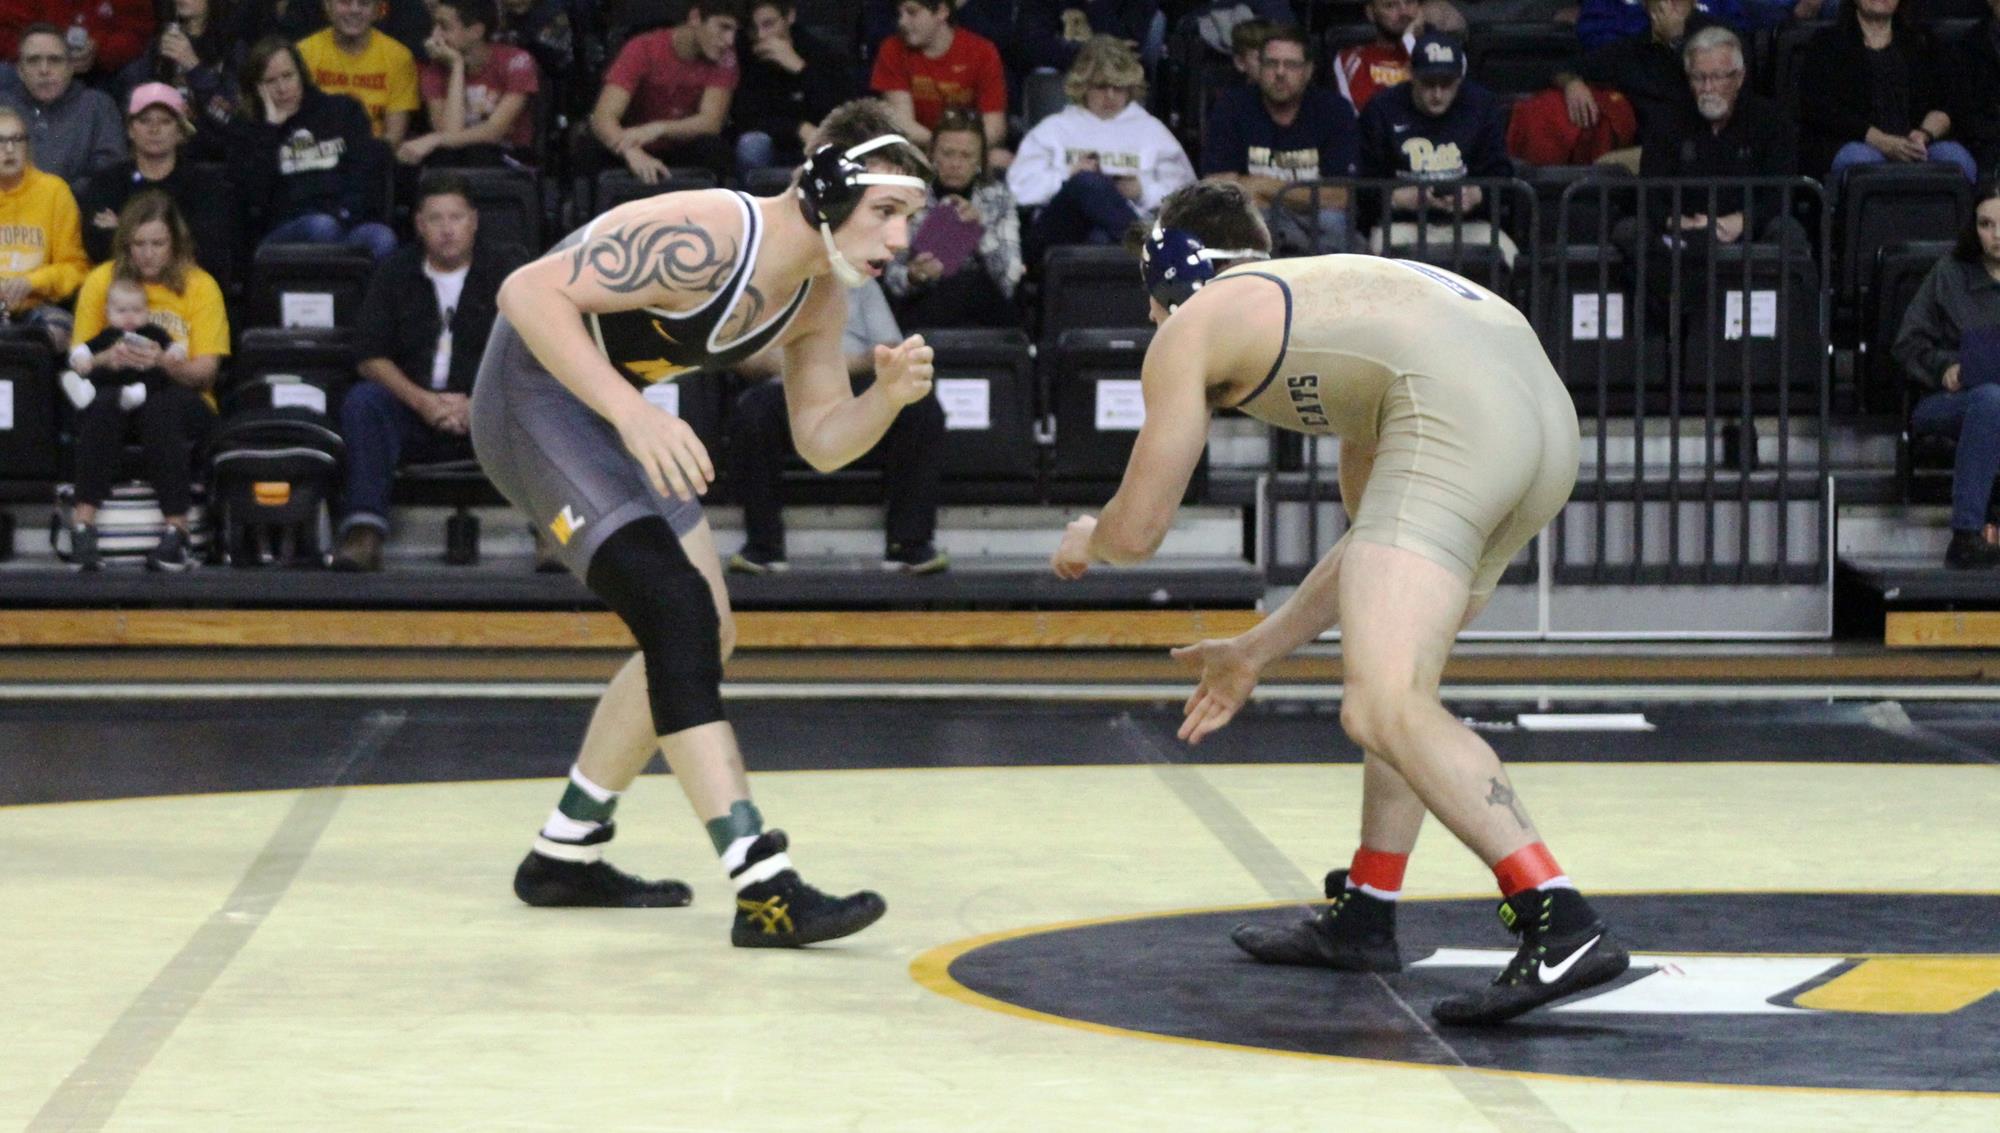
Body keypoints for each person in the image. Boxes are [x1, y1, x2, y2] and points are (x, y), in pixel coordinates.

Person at [1051, 179, 1629, 1024]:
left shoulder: (1195, 323)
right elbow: (1374, 546)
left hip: (1464, 414)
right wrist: (1256, 648)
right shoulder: (1340, 309)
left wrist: (1088, 536)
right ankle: (1368, 906)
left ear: (1175, 271)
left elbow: (1137, 531)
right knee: (1402, 693)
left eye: (1151, 294)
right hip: (1542, 423)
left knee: (1383, 704)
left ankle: (1559, 916)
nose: (1150, 316)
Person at [471, 98, 935, 946]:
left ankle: (564, 851)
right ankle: (765, 887)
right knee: (678, 612)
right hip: (531, 400)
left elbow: (821, 441)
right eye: (886, 212)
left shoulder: (818, 294)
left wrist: (886, 399)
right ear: (827, 189)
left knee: (704, 629)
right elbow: (524, 290)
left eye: (909, 217)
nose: (901, 239)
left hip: (609, 417)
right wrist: (633, 414)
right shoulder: (708, 232)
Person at [333, 172, 526, 571]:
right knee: (364, 401)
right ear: (420, 225)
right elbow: (369, 355)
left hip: (489, 415)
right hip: (415, 411)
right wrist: (423, 403)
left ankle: (553, 535)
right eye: (436, 219)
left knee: (541, 401)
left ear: (474, 221)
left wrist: (477, 404)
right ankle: (363, 531)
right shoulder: (394, 273)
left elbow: (531, 352)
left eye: (456, 217)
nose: (447, 229)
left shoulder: (508, 272)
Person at [726, 278, 948, 574]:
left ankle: (909, 545)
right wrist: (807, 368)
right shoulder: (765, 281)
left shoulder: (860, 284)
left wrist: (831, 367)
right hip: (783, 384)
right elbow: (742, 357)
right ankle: (763, 547)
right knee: (752, 412)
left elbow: (890, 347)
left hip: (857, 380)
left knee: (919, 407)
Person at [64, 191, 226, 572]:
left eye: (158, 243)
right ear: (125, 244)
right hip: (116, 389)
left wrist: (164, 364)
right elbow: (80, 361)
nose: (148, 254)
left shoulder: (200, 285)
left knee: (160, 407)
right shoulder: (102, 281)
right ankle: (82, 526)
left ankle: (177, 532)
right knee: (103, 403)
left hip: (183, 396)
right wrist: (108, 358)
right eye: (139, 244)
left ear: (175, 243)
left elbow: (206, 372)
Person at [1008, 35, 1194, 260]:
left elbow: (1188, 199)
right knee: (1086, 183)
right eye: (1101, 86)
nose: (1110, 96)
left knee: (1101, 236)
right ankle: (1152, 253)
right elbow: (1018, 192)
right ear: (1084, 85)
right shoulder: (1053, 129)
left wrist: (1142, 191)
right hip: (1060, 232)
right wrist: (1067, 176)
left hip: (1120, 235)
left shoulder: (1153, 132)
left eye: (1119, 87)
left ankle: (1141, 249)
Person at [1893, 182, 2000, 569]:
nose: (1997, 235)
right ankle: (1966, 536)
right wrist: (1944, 367)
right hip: (1950, 400)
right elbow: (1907, 344)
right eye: (1987, 225)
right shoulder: (1950, 274)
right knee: (1991, 400)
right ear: (1974, 228)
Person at [230, 36, 397, 260]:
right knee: (321, 227)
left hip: (344, 220)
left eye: (288, 76)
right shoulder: (249, 129)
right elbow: (253, 199)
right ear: (257, 88)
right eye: (270, 82)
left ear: (301, 74)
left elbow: (365, 175)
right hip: (283, 230)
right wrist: (270, 131)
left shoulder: (343, 111)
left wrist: (343, 214)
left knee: (382, 238)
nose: (282, 88)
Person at [1200, 25, 1360, 252]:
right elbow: (1218, 186)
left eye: (1291, 65)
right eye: (1271, 63)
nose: (1280, 72)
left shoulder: (1334, 110)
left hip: (1317, 225)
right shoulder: (1231, 107)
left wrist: (1261, 186)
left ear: (1308, 71)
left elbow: (1339, 197)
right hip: (1260, 218)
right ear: (1259, 67)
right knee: (1244, 219)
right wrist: (1304, 196)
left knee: (1331, 220)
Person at [1358, 32, 1513, 259]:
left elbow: (1502, 174)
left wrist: (1476, 195)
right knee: (1379, 261)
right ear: (1411, 74)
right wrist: (1397, 198)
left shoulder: (1482, 106)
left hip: (1470, 224)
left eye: (1447, 84)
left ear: (1460, 79)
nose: (1437, 94)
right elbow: (1362, 183)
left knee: (1510, 256)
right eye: (1428, 83)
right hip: (1401, 225)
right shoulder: (1382, 108)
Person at [1797, 0, 1974, 187]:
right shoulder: (1826, 43)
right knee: (1860, 160)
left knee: (1955, 158)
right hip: (1855, 141)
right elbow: (1820, 108)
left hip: (1919, 144)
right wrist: (1880, 140)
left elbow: (1948, 101)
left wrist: (1923, 135)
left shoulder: (1924, 40)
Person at [78, 83, 237, 278]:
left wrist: (123, 230)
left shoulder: (205, 185)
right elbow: (97, 246)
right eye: (144, 120)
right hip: (121, 287)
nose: (154, 129)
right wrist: (175, 238)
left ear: (180, 131)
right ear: (130, 129)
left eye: (165, 121)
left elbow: (209, 252)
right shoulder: (106, 182)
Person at [883, 108, 1023, 328]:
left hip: (985, 307)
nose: (956, 163)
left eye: (966, 156)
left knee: (969, 283)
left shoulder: (999, 198)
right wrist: (913, 275)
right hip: (925, 304)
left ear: (980, 161)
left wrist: (979, 231)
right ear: (932, 155)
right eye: (947, 154)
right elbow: (891, 279)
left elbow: (1009, 280)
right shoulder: (908, 196)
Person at [589, 0, 741, 185]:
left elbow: (710, 121)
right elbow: (603, 117)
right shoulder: (643, 48)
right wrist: (631, 152)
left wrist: (657, 129)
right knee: (590, 148)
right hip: (633, 141)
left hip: (681, 146)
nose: (729, 41)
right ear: (695, 18)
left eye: (734, 31)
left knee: (715, 150)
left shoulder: (726, 57)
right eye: (723, 27)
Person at [397, 0, 541, 167]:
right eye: (434, 25)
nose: (435, 36)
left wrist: (435, 139)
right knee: (443, 158)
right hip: (457, 159)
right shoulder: (435, 70)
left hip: (508, 158)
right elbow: (449, 134)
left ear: (476, 31)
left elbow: (494, 131)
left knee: (477, 154)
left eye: (444, 27)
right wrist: (457, 66)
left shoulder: (516, 61)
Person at [869, 0, 1010, 160]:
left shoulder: (983, 52)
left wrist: (959, 151)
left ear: (942, 11)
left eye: (912, 12)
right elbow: (902, 123)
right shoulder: (892, 49)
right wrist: (945, 149)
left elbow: (994, 127)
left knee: (999, 158)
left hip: (969, 151)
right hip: (918, 150)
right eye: (899, 14)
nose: (902, 22)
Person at [731, 0, 855, 180]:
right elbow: (745, 116)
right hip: (772, 141)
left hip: (816, 140)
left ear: (789, 17)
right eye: (753, 28)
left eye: (768, 24)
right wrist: (797, 128)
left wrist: (800, 68)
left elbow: (840, 107)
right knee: (751, 144)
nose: (761, 35)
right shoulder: (745, 55)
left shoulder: (818, 52)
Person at [0, 105, 87, 352]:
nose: (9, 149)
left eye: (17, 139)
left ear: (28, 146)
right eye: (1, 141)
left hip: (39, 306)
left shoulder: (54, 191)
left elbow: (76, 269)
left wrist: (33, 282)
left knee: (58, 332)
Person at [2, 23, 125, 190]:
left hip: (79, 203)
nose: (44, 70)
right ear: (20, 70)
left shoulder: (97, 106)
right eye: (33, 61)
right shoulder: (4, 106)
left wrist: (58, 197)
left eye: (54, 60)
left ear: (71, 67)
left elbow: (111, 171)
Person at [296, 0, 423, 143]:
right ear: (327, 6)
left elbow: (394, 135)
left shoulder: (399, 57)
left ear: (377, 10)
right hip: (315, 148)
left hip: (374, 151)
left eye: (364, 3)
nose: (355, 10)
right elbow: (294, 123)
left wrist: (364, 155)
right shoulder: (303, 53)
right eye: (345, 2)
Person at [114, 0, 243, 139]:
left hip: (213, 141)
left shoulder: (231, 47)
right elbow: (131, 95)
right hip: (163, 138)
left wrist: (194, 67)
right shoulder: (161, 41)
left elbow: (227, 115)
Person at [0, 0, 156, 84]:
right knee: (4, 74)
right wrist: (45, 50)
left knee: (135, 70)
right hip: (35, 64)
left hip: (100, 69)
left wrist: (99, 49)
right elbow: (4, 29)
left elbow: (138, 32)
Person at [1335, 0, 1423, 116]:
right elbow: (1371, 116)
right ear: (1371, 13)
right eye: (1390, 5)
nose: (1404, 12)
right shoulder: (1352, 59)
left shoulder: (1439, 51)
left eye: (1409, 2)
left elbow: (1435, 104)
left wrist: (1409, 41)